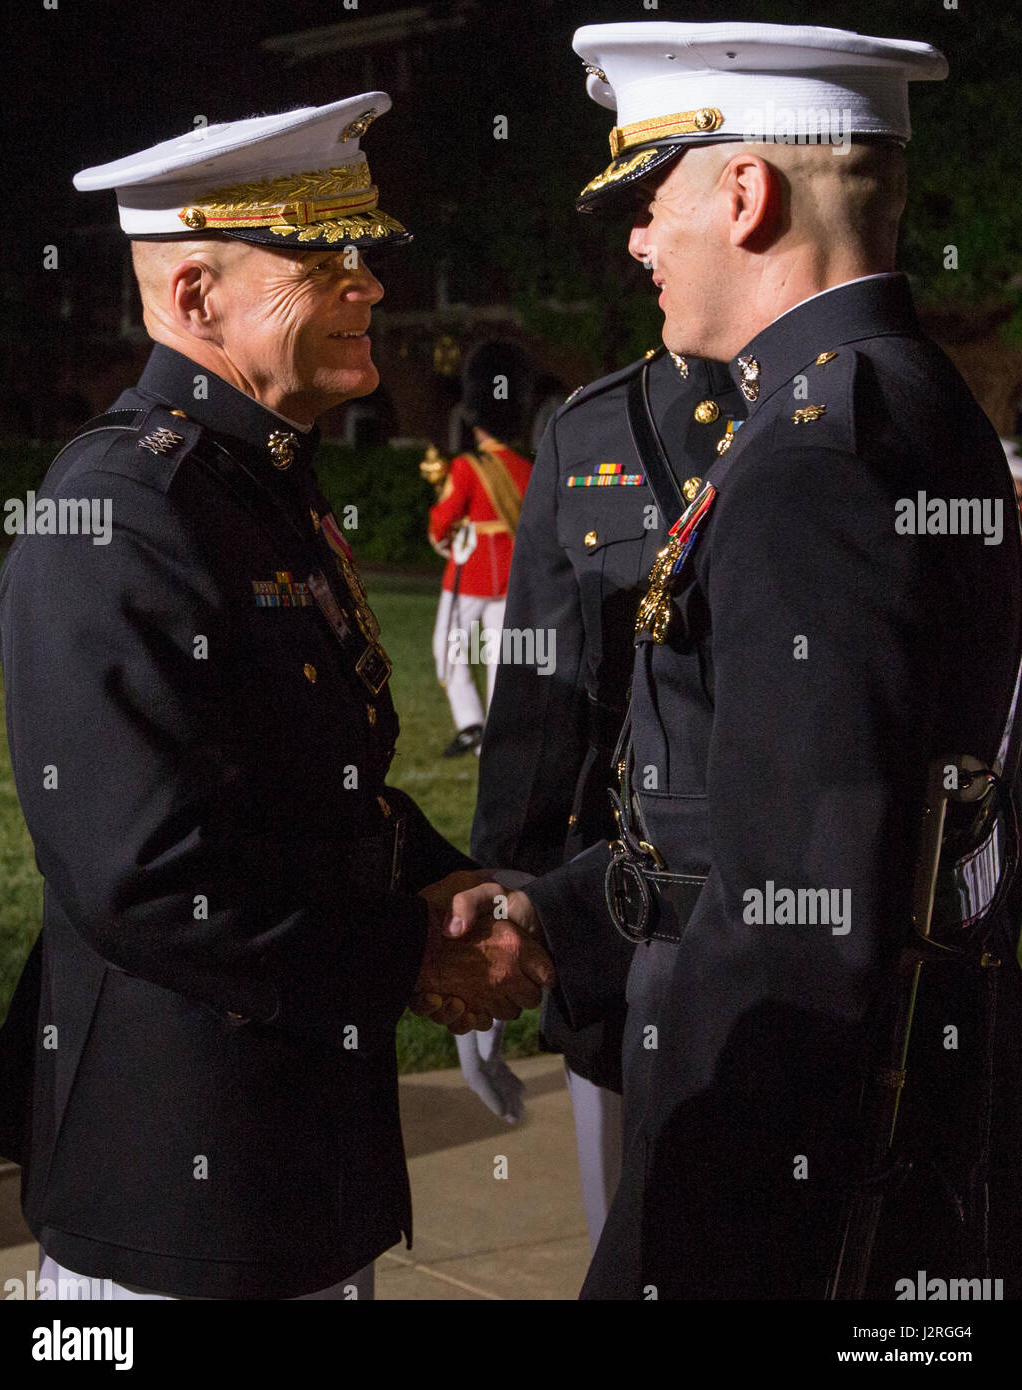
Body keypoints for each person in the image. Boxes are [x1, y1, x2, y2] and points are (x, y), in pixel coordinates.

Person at [449, 22, 1022, 1299]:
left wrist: (678, 1233)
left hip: (798, 1175)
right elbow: (771, 822)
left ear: (745, 193)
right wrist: (559, 909)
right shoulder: (899, 399)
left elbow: (795, 923)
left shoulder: (807, 460)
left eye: (651, 204)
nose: (640, 245)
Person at [0, 94, 553, 1302]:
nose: (368, 286)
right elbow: (150, 872)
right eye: (321, 260)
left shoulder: (253, 481)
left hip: (285, 1168)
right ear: (194, 297)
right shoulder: (127, 515)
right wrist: (410, 956)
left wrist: (435, 877)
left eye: (363, 254)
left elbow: (311, 782)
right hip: (178, 1201)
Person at [472, 347, 742, 1235]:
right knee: (625, 1239)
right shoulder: (589, 429)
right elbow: (537, 704)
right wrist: (504, 904)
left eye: (657, 205)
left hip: (804, 931)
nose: (639, 240)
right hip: (620, 914)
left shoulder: (850, 397)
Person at [428, 343, 533, 759]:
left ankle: (471, 724)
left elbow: (443, 521)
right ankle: (499, 733)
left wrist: (442, 529)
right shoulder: (527, 467)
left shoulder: (467, 466)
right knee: (500, 657)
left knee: (448, 648)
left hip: (469, 575)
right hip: (511, 575)